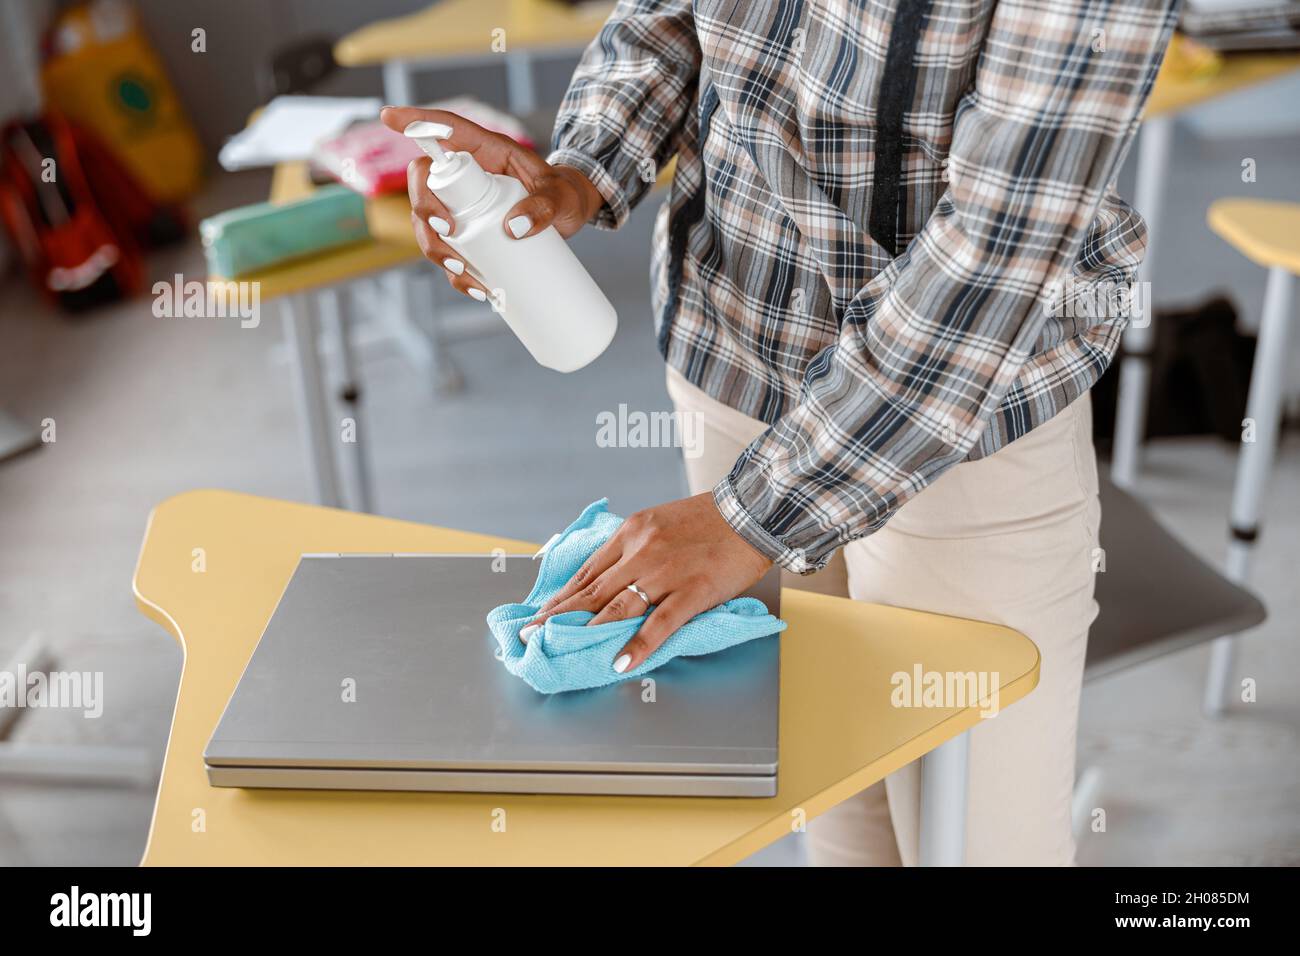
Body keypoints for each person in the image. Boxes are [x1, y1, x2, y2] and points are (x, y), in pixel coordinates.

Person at [381, 0, 1178, 865]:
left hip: (964, 420)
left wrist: (748, 517)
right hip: (735, 351)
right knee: (833, 812)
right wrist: (576, 173)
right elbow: (669, 18)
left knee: (981, 846)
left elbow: (1001, 244)